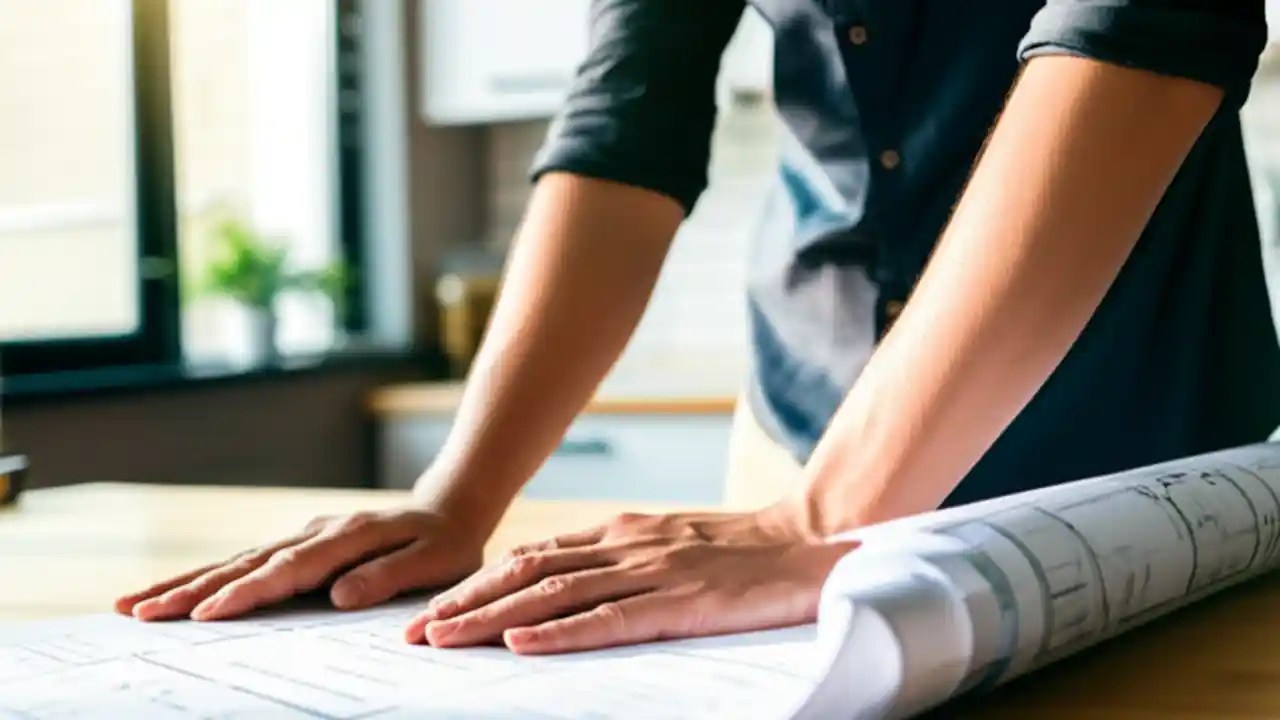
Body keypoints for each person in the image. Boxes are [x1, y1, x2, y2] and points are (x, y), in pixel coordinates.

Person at [118, 0, 1280, 656]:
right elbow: (627, 121)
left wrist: (818, 518)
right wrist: (457, 496)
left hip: (1127, 439)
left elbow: (1141, 32)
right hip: (800, 429)